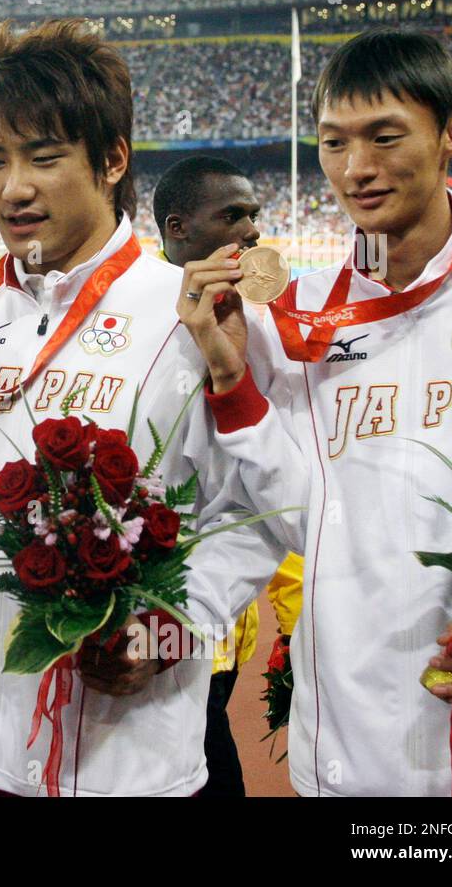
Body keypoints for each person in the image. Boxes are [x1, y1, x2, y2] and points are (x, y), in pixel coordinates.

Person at [0, 20, 282, 797]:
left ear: (112, 160)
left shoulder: (194, 314)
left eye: (42, 156)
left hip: (126, 762)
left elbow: (266, 512)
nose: (10, 188)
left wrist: (163, 632)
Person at [180, 28, 452, 796]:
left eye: (384, 137)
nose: (356, 170)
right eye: (333, 143)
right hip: (345, 738)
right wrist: (233, 381)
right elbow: (279, 512)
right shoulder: (288, 320)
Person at [152, 155, 305, 797]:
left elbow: (281, 500)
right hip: (151, 617)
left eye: (254, 216)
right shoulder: (136, 326)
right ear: (179, 227)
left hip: (227, 613)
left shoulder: (267, 325)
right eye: (233, 216)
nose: (251, 232)